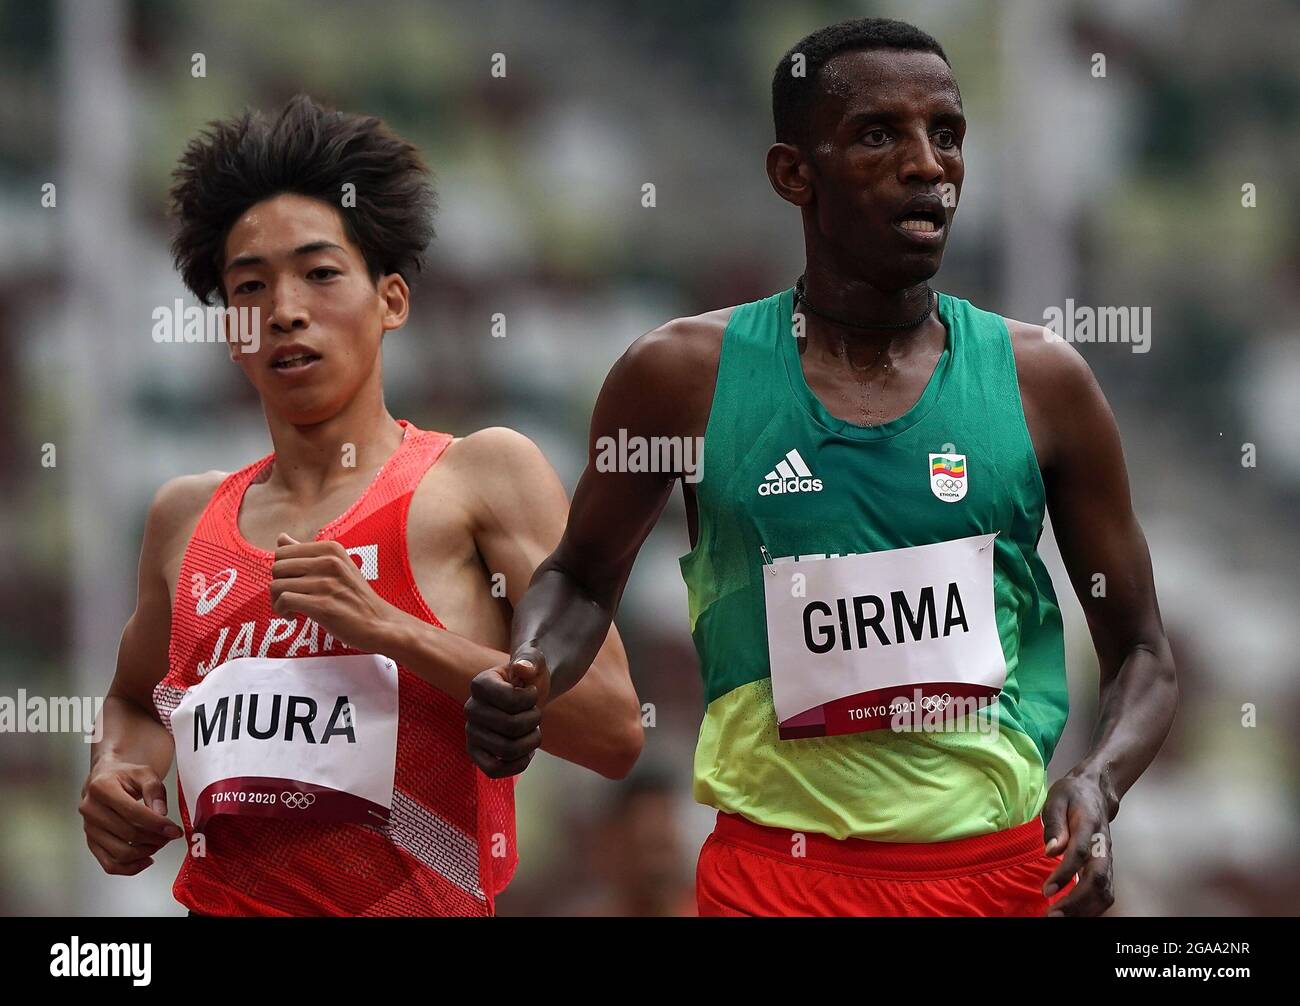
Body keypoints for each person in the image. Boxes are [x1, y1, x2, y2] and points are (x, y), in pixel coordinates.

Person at [468, 18, 1178, 917]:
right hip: (776, 882)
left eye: (947, 133)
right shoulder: (682, 376)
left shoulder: (1044, 383)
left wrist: (1100, 785)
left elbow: (1144, 653)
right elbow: (578, 577)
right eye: (880, 133)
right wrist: (529, 664)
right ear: (792, 172)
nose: (928, 164)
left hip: (999, 878)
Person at [79, 95, 642, 916]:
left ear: (393, 301)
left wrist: (387, 628)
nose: (285, 310)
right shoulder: (183, 519)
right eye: (249, 285)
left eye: (320, 272)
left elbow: (613, 730)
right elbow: (137, 699)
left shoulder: (478, 477)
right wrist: (115, 768)